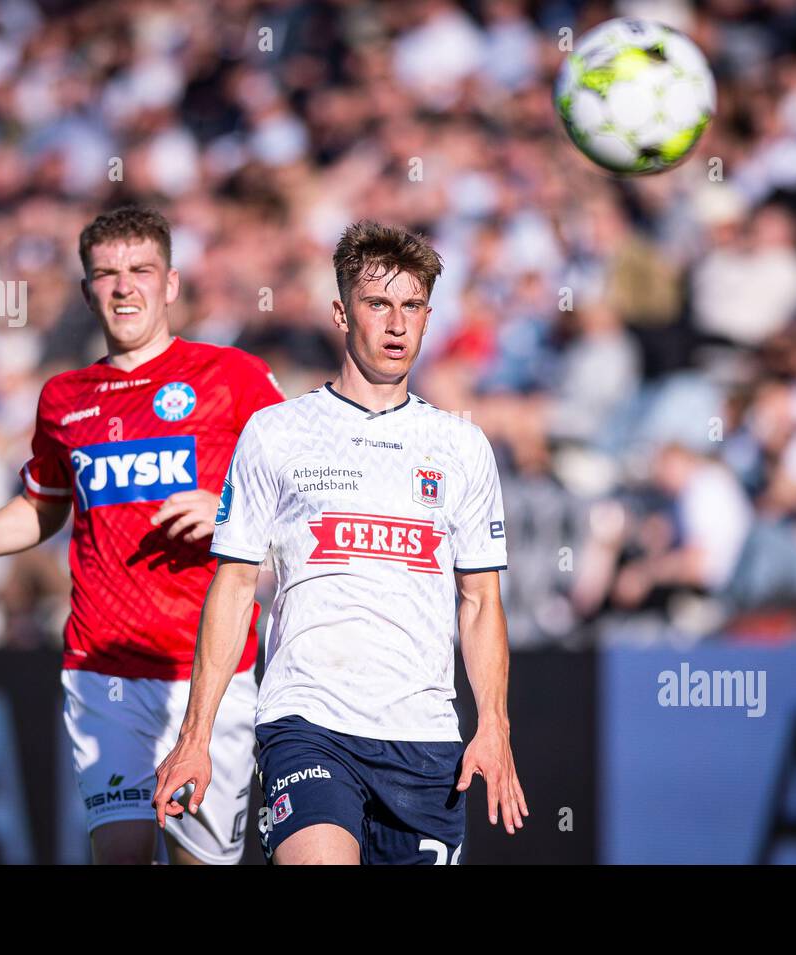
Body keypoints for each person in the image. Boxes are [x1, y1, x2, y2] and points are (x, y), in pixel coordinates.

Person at [153, 220, 526, 864]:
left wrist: (493, 724)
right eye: (378, 304)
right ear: (340, 312)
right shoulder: (277, 432)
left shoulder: (461, 445)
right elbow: (235, 586)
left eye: (412, 307)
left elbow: (481, 602)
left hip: (424, 738)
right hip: (307, 724)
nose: (396, 325)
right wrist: (196, 734)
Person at [0, 206, 283, 864]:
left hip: (209, 670)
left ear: (170, 283)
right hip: (101, 665)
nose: (124, 287)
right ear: (88, 291)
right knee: (118, 853)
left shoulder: (234, 378)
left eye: (140, 270)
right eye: (106, 274)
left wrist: (228, 508)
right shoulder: (65, 396)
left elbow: (306, 490)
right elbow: (44, 504)